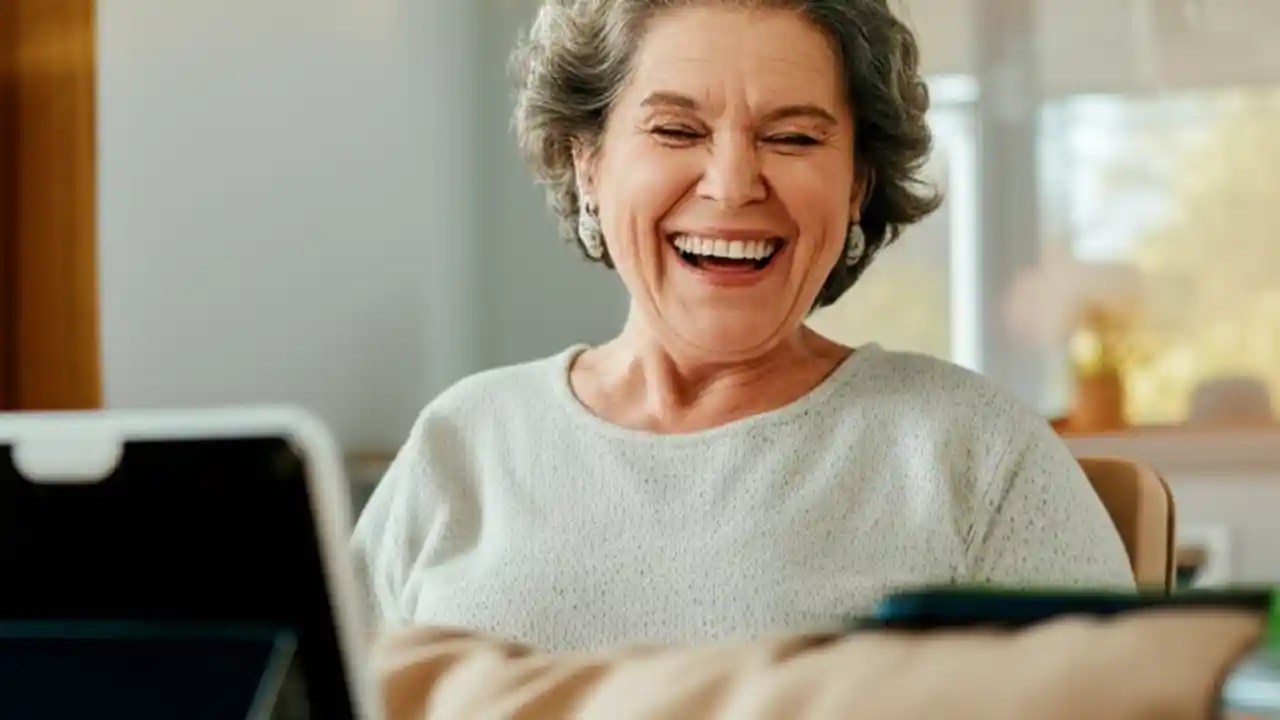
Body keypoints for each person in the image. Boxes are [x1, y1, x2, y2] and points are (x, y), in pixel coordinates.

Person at [352, 0, 1133, 653]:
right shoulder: (461, 440)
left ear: (857, 183)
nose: (731, 186)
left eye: (793, 138)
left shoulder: (976, 455)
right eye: (675, 131)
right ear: (587, 162)